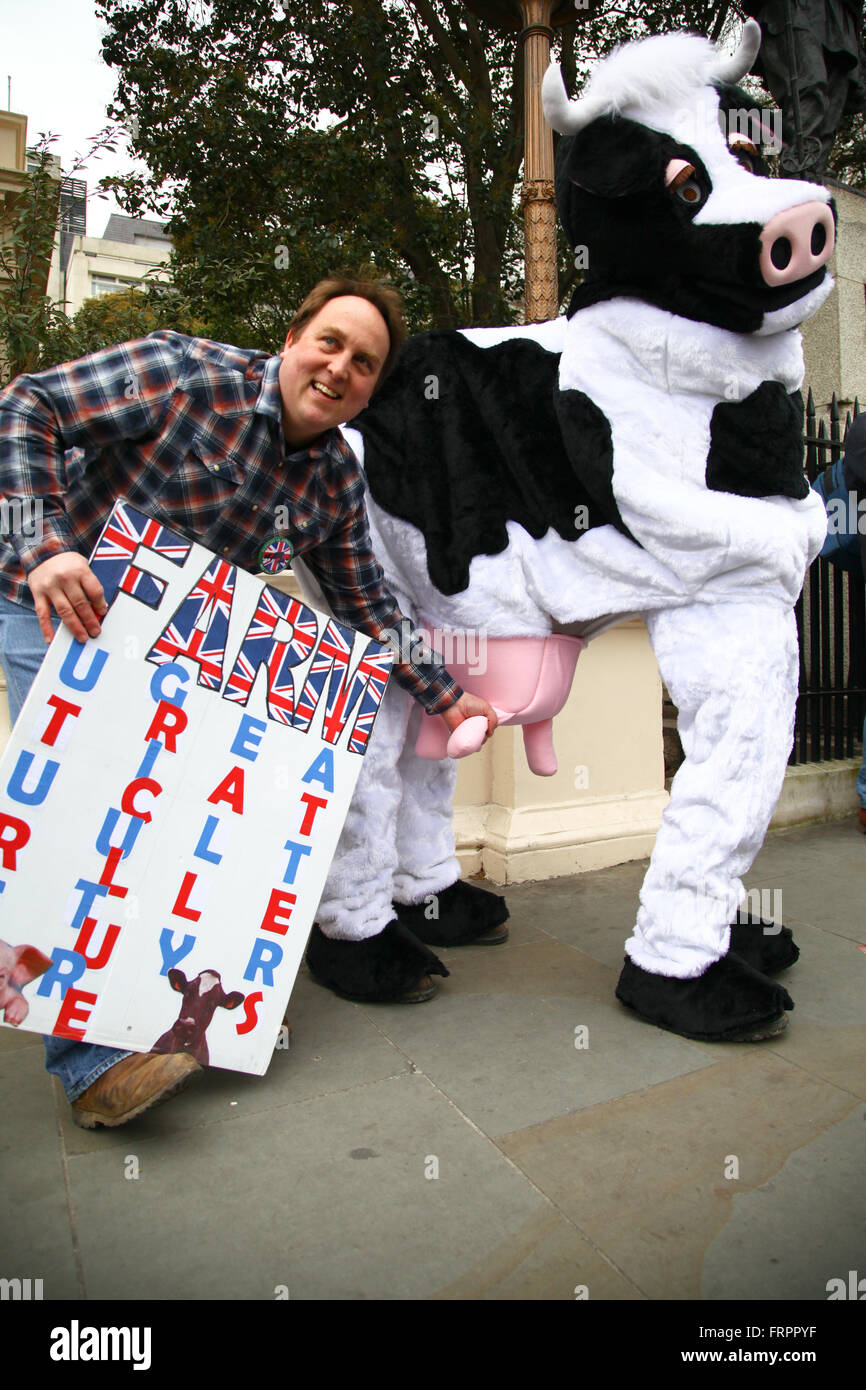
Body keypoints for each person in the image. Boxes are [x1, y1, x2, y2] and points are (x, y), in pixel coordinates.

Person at [0, 276, 497, 1127]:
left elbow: (369, 604)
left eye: (365, 363)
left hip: (171, 646)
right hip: (60, 603)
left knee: (174, 824)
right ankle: (89, 1066)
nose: (341, 368)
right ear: (293, 336)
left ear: (372, 389)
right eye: (330, 343)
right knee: (86, 821)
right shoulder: (184, 373)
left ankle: (161, 1018)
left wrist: (450, 700)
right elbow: (27, 404)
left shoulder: (335, 480)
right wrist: (40, 546)